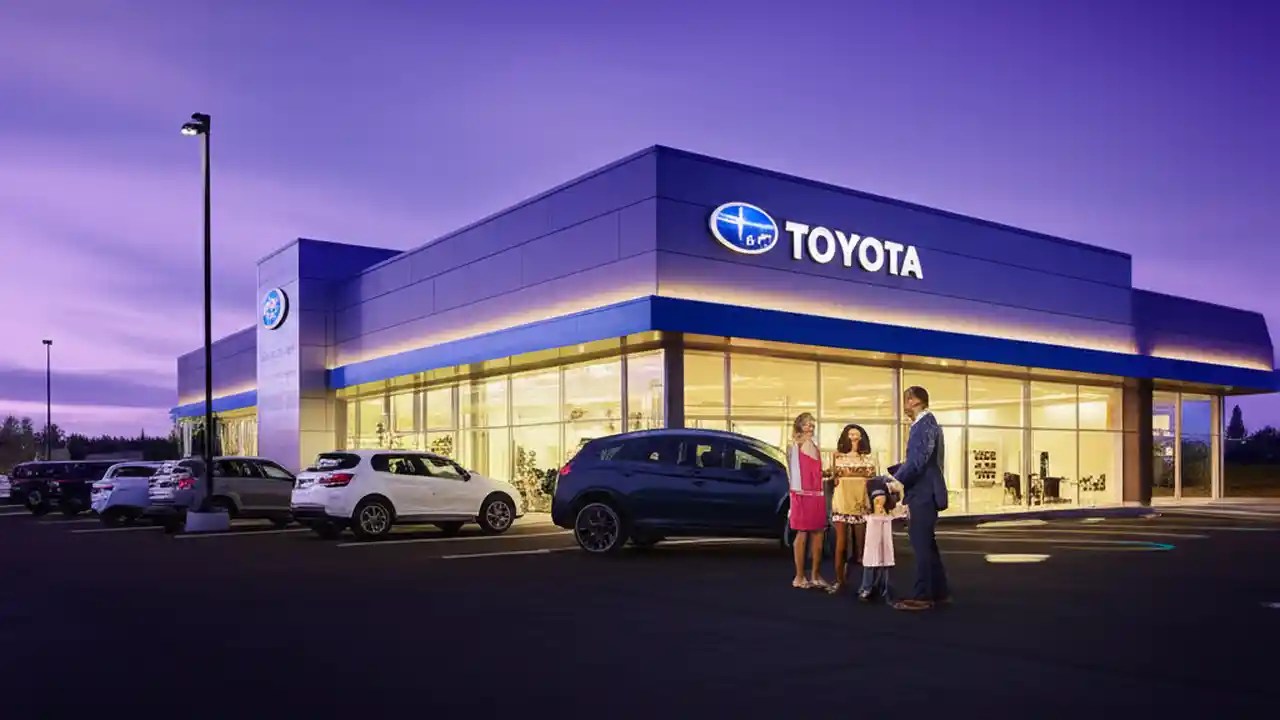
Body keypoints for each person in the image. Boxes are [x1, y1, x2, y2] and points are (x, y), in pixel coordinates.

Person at [887, 386, 951, 611]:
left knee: (921, 543)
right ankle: (940, 592)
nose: (904, 407)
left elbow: (918, 460)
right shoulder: (930, 424)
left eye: (905, 401)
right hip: (927, 490)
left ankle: (923, 596)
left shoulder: (923, 426)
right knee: (928, 544)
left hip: (923, 493)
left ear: (913, 401)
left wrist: (898, 481)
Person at [827, 424, 876, 594]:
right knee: (841, 544)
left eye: (856, 434)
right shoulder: (837, 457)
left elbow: (872, 479)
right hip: (841, 502)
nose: (853, 437)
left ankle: (866, 585)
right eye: (850, 434)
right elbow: (833, 478)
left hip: (860, 503)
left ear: (861, 437)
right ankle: (840, 580)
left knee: (862, 548)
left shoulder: (868, 458)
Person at [787, 412, 829, 590]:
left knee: (818, 533)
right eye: (806, 424)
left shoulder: (809, 445)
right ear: (799, 426)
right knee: (802, 534)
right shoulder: (797, 446)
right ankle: (799, 576)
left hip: (815, 493)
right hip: (803, 495)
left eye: (812, 424)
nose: (810, 427)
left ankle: (815, 575)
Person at [858, 475, 901, 603]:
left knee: (884, 565)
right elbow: (861, 510)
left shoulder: (888, 516)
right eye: (877, 501)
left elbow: (901, 507)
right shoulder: (870, 517)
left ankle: (883, 588)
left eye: (881, 500)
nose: (879, 504)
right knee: (871, 565)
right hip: (872, 545)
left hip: (885, 545)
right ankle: (866, 588)